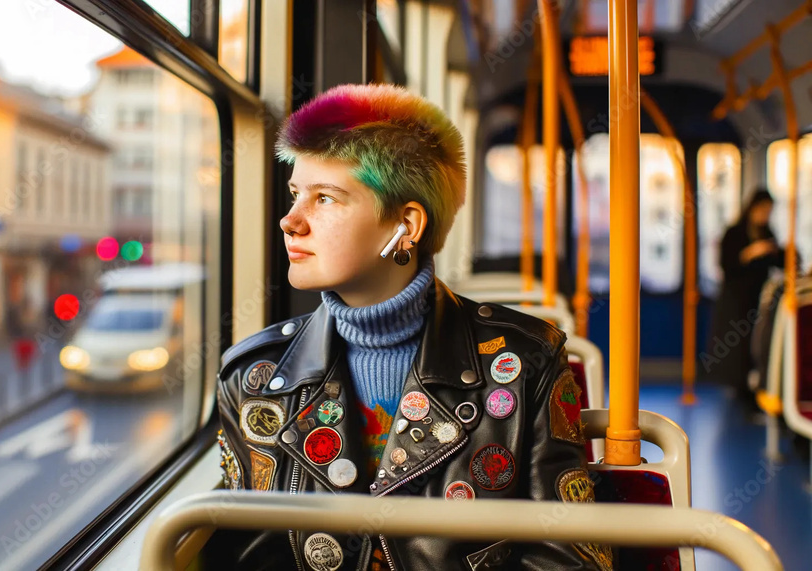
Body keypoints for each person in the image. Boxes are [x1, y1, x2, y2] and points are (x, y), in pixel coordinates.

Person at [208, 84, 611, 570]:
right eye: (296, 195)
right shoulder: (254, 379)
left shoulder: (528, 364)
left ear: (407, 226)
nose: (289, 221)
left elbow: (567, 556)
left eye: (326, 199)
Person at [706, 189, 784, 417]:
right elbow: (726, 265)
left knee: (757, 344)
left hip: (758, 299)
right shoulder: (735, 233)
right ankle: (742, 392)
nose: (765, 215)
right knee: (737, 347)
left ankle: (754, 390)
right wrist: (749, 253)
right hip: (736, 301)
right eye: (762, 210)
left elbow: (777, 262)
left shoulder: (767, 232)